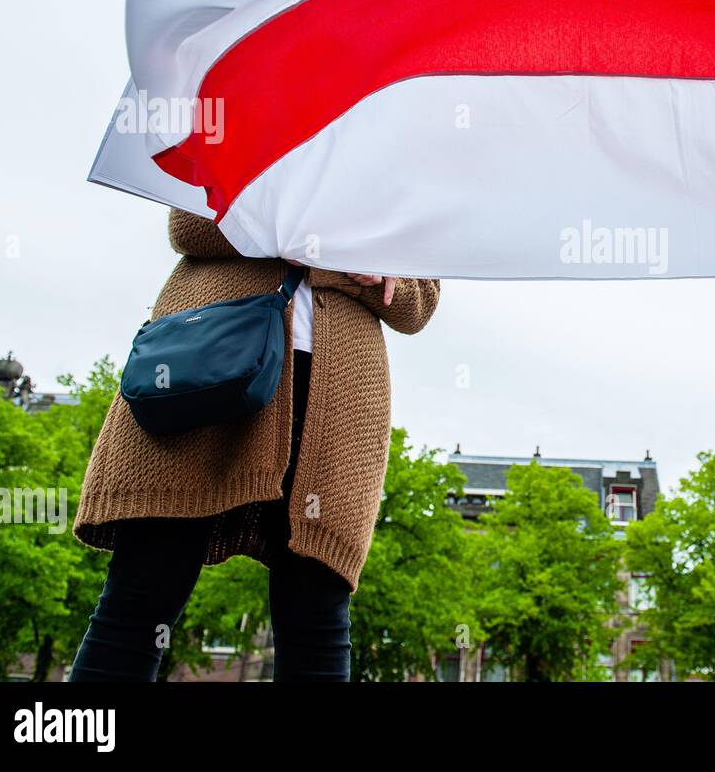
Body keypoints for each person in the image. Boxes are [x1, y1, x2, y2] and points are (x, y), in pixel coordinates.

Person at [69, 209, 439, 681]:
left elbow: (418, 303)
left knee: (318, 617)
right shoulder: (243, 134)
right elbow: (190, 227)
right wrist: (334, 253)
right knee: (142, 595)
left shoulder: (392, 171)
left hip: (339, 407)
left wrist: (381, 275)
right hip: (207, 371)